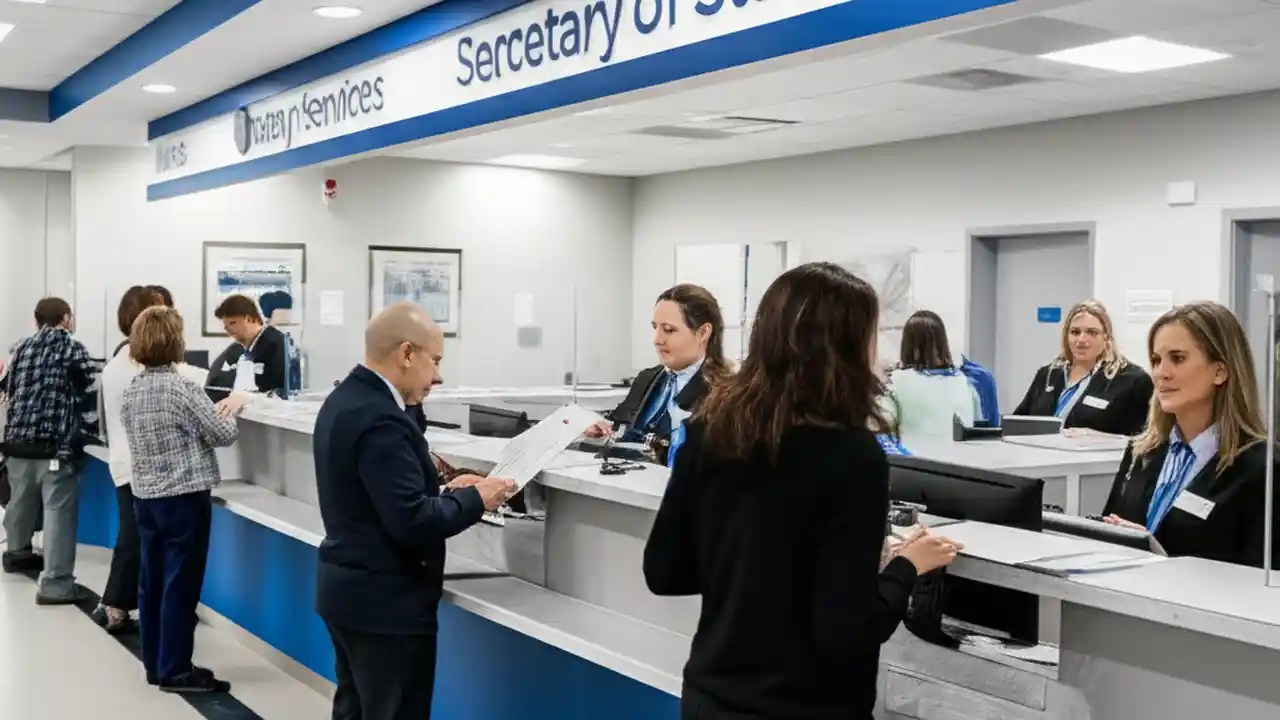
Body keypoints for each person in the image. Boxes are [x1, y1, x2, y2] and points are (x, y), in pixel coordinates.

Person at [644, 263, 962, 720]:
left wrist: (752, 565)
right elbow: (846, 632)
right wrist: (906, 567)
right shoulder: (852, 458)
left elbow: (665, 572)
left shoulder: (709, 429)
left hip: (712, 698)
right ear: (844, 347)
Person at [314, 302, 515, 720]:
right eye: (435, 361)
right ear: (407, 353)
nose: (438, 376)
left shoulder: (347, 399)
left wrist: (443, 490)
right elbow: (411, 521)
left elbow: (378, 494)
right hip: (386, 608)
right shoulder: (381, 418)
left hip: (351, 595)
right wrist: (480, 498)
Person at [123, 306, 247, 693]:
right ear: (175, 341)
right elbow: (222, 433)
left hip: (145, 497)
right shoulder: (182, 388)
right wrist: (233, 405)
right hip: (184, 498)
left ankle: (157, 664)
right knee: (181, 584)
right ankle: (177, 669)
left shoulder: (133, 389)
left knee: (153, 581)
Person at [1102, 302, 1280, 568]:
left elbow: (1263, 580)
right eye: (1156, 360)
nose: (1162, 373)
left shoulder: (1263, 467)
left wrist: (1158, 558)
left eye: (1178, 358)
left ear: (1219, 371)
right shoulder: (1142, 452)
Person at [94, 287, 210, 635]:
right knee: (137, 542)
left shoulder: (122, 358)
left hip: (128, 461)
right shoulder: (135, 363)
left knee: (139, 541)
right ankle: (117, 604)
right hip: (142, 465)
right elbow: (188, 385)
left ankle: (137, 609)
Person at [0, 297, 99, 605]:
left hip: (17, 443)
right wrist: (88, 432)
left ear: (36, 320)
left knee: (20, 501)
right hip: (54, 446)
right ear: (66, 318)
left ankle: (16, 553)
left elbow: (7, 388)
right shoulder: (72, 348)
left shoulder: (20, 349)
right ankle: (56, 584)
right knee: (58, 512)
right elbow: (90, 394)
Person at [587, 284, 732, 464]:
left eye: (669, 330)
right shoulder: (646, 379)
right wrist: (600, 428)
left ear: (703, 333)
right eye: (655, 327)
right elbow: (618, 424)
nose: (657, 340)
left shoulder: (726, 392)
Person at [1013, 300, 1153, 435]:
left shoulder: (1132, 381)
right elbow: (1017, 424)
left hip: (1097, 458)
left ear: (1106, 337)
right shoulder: (1048, 375)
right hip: (1040, 457)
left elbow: (1144, 440)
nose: (1081, 340)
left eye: (1092, 333)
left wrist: (1100, 438)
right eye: (1075, 332)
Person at [885, 310, 982, 436]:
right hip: (961, 455)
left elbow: (883, 431)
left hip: (912, 455)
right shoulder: (966, 384)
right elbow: (980, 431)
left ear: (907, 345)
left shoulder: (896, 382)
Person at [206, 294, 287, 396]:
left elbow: (273, 389)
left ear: (249, 319)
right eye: (225, 326)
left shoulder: (275, 344)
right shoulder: (240, 349)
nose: (227, 330)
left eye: (232, 323)